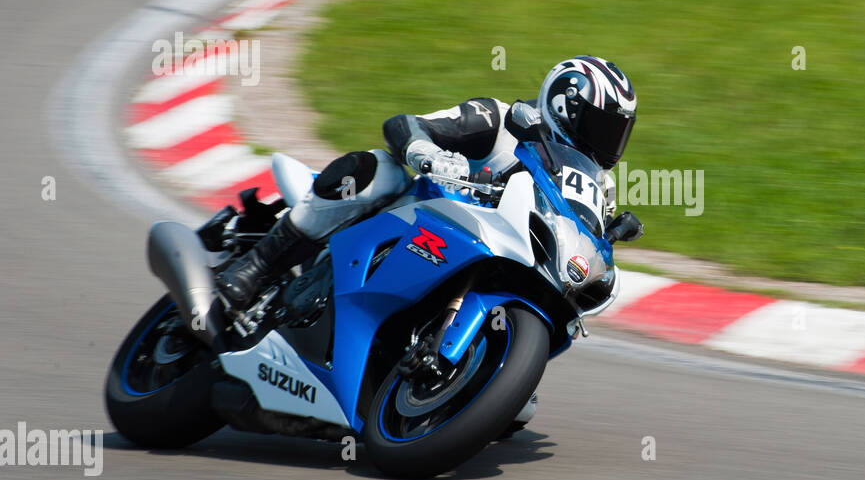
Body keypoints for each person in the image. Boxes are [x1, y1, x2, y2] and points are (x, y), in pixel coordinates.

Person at [214, 55, 637, 308]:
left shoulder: (597, 190)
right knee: (378, 170)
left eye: (616, 132)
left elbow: (580, 242)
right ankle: (258, 265)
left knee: (517, 412)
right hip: (417, 225)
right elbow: (405, 125)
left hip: (488, 265)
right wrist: (426, 153)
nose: (608, 142)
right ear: (564, 105)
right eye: (601, 127)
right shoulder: (501, 121)